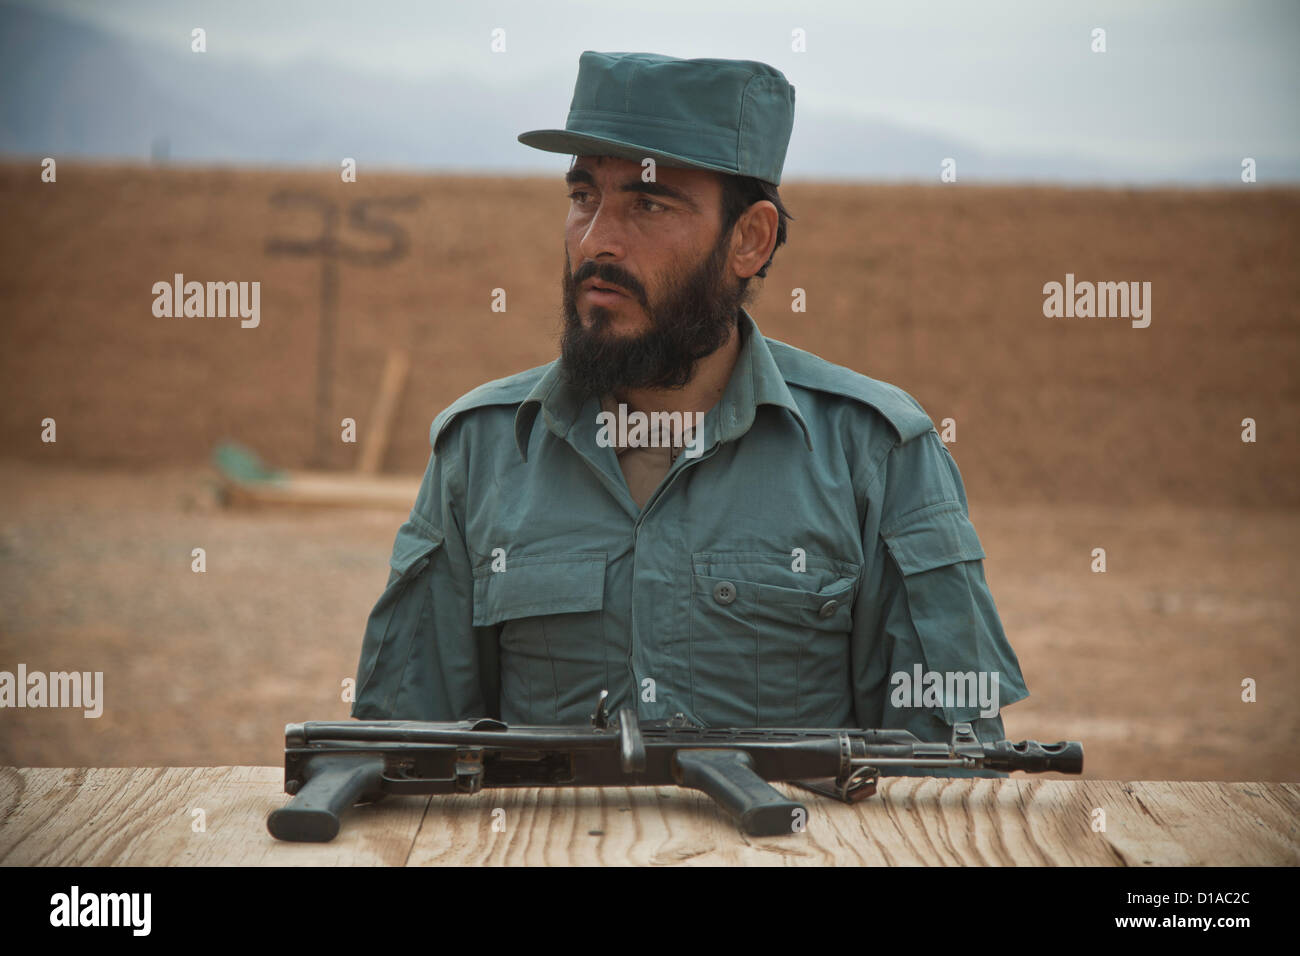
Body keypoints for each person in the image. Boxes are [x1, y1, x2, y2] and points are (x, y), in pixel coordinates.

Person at [352, 51, 1027, 774]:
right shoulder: (483, 452)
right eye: (584, 196)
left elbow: (945, 779)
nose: (596, 240)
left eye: (648, 204)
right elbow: (406, 758)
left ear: (750, 239)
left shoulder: (876, 454)